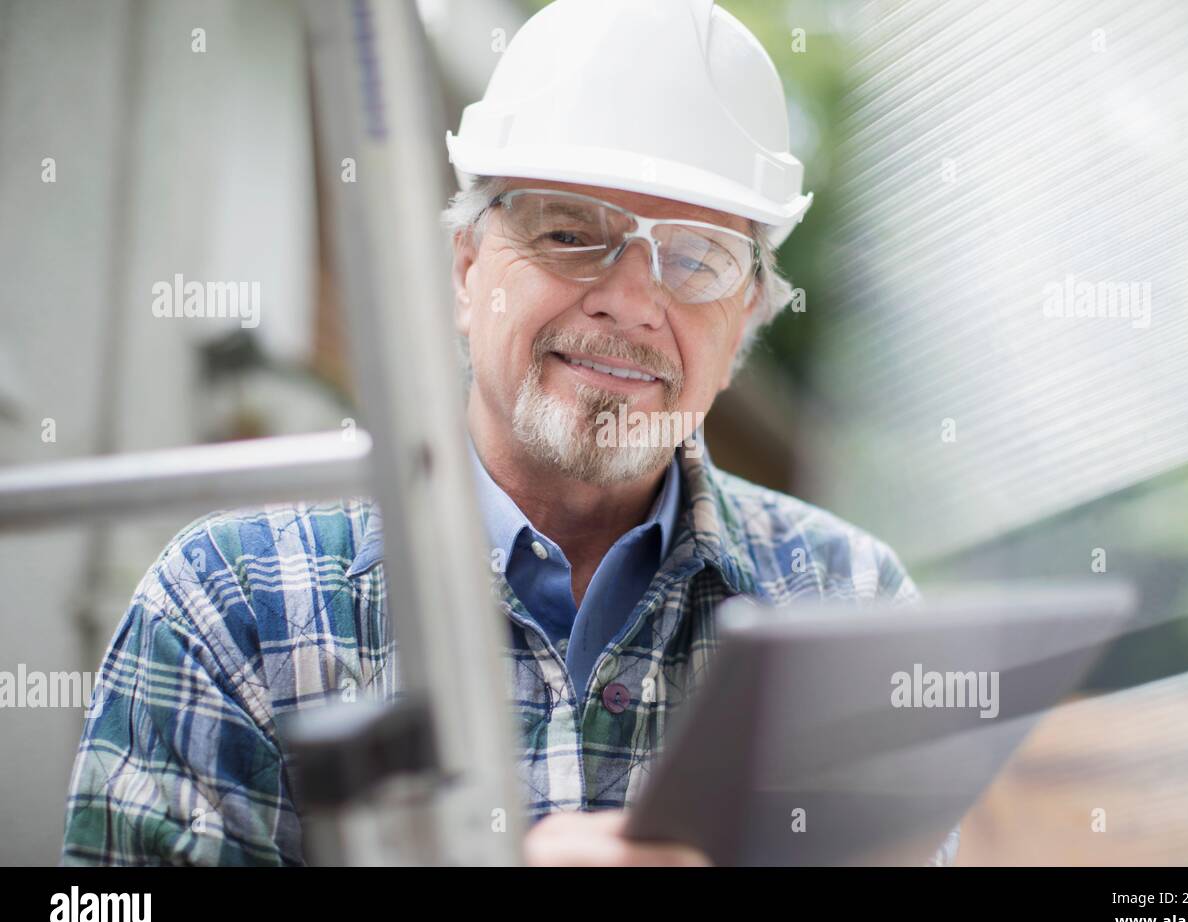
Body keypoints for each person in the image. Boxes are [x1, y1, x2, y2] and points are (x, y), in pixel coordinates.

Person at [61, 0, 958, 866]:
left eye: (696, 260)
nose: (632, 300)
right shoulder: (232, 607)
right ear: (465, 273)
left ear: (743, 328)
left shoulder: (851, 607)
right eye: (570, 231)